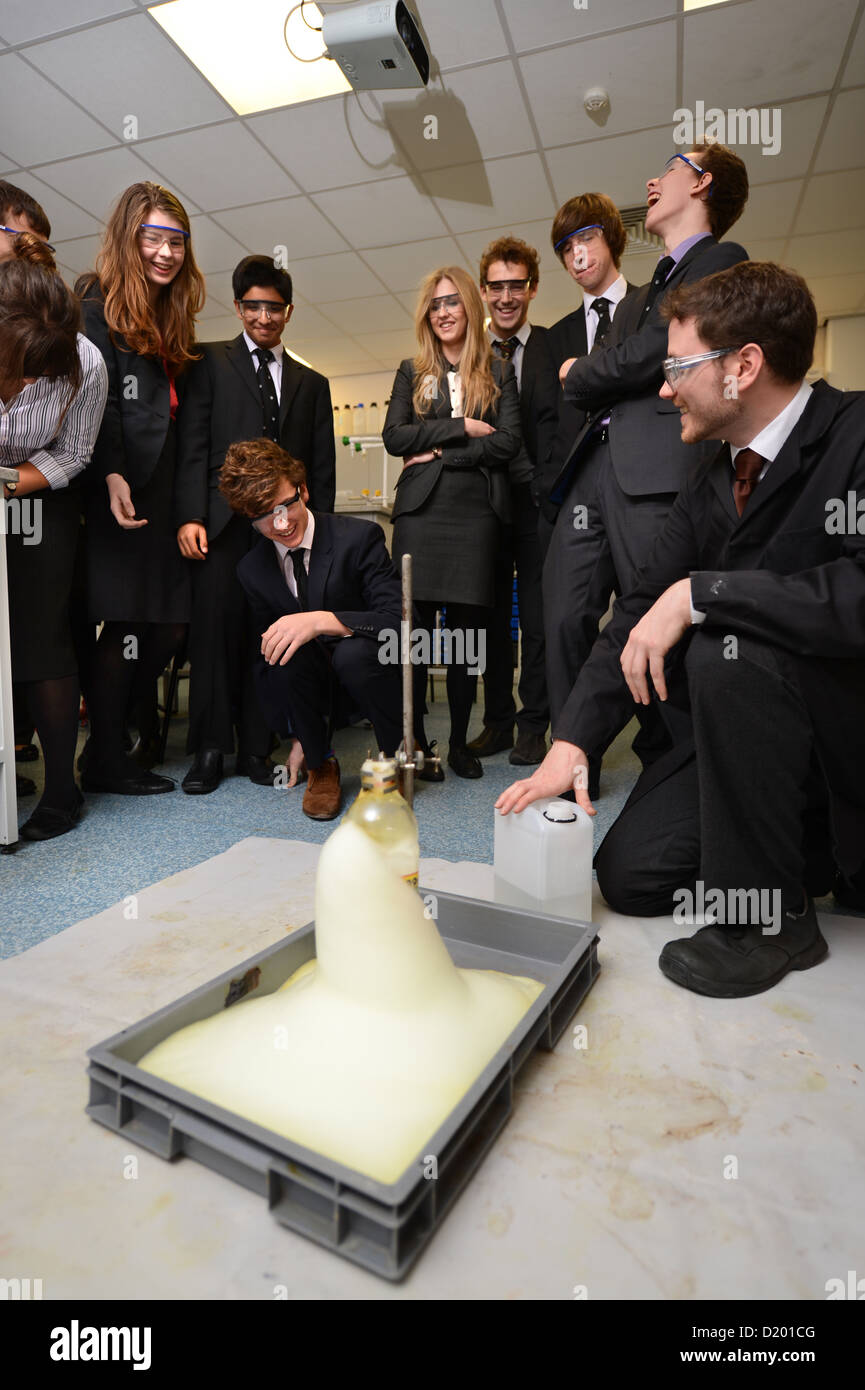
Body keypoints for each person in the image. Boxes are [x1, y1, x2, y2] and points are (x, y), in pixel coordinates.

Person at [498, 261, 865, 998]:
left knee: (726, 649)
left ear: (743, 366)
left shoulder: (855, 433)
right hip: (749, 742)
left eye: (676, 369)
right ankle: (805, 849)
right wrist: (570, 742)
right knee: (632, 875)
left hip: (841, 731)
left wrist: (704, 594)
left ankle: (765, 921)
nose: (663, 391)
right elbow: (634, 610)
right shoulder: (709, 476)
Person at [544, 144, 749, 795]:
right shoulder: (657, 280)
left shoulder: (720, 261)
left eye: (670, 167)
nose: (651, 180)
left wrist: (582, 373)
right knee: (562, 614)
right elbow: (634, 351)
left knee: (654, 616)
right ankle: (575, 754)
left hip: (654, 471)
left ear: (703, 181)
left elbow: (656, 348)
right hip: (590, 473)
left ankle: (697, 772)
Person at [175, 254, 336, 795]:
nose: (263, 317)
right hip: (221, 526)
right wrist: (190, 515)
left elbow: (321, 464)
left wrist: (321, 535)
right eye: (253, 306)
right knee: (215, 634)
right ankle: (210, 749)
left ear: (288, 312)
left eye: (273, 307)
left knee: (266, 636)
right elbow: (193, 445)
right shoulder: (208, 362)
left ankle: (253, 746)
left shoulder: (313, 384)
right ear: (240, 307)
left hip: (284, 529)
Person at [76, 182, 205, 795]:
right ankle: (104, 756)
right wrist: (112, 472)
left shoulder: (166, 314)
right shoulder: (94, 304)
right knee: (125, 624)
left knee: (170, 625)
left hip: (161, 493)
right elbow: (95, 404)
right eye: (152, 237)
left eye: (175, 240)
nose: (165, 252)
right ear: (129, 238)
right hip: (118, 486)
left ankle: (120, 725)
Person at [382, 265, 524, 779]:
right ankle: (417, 742)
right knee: (415, 638)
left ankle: (461, 742)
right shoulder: (410, 369)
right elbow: (395, 437)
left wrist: (441, 451)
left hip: (477, 518)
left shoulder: (499, 371)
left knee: (467, 639)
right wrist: (461, 428)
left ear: (470, 306)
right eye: (435, 305)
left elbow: (508, 442)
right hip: (421, 516)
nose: (443, 312)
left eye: (452, 302)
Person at [219, 440, 404, 822]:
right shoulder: (251, 570)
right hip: (314, 688)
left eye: (285, 505)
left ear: (303, 489)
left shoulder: (358, 538)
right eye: (264, 517)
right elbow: (265, 661)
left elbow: (398, 622)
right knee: (283, 648)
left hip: (371, 674)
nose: (281, 523)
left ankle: (395, 752)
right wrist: (297, 734)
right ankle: (323, 765)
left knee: (352, 653)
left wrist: (319, 619)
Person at [1, 253, 108, 840]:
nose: (24, 388)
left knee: (42, 636)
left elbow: (72, 453)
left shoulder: (87, 362)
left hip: (41, 494)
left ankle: (62, 788)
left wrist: (9, 483)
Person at [463, 236, 558, 769]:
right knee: (491, 618)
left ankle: (533, 725)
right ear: (483, 290)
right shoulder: (467, 355)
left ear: (532, 289)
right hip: (483, 506)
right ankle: (496, 721)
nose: (504, 297)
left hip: (539, 505)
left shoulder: (552, 346)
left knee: (539, 619)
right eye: (495, 286)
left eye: (515, 286)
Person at [540, 192, 638, 556]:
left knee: (644, 605)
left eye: (586, 238)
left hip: (639, 489)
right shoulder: (553, 338)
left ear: (610, 237)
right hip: (573, 498)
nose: (576, 254)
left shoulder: (651, 311)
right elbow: (545, 423)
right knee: (565, 613)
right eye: (566, 248)